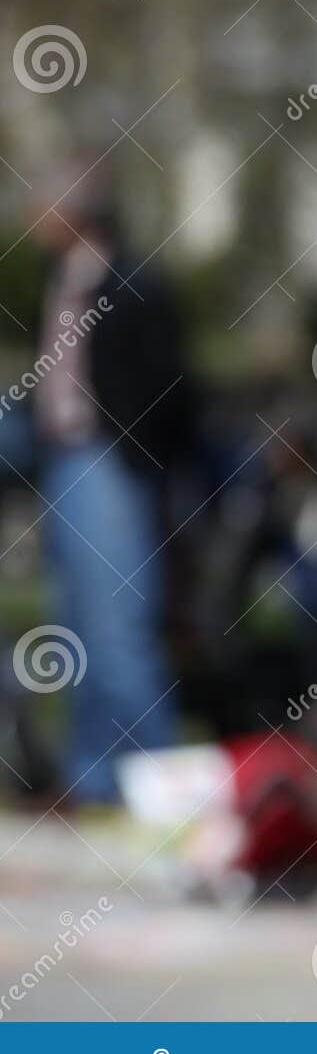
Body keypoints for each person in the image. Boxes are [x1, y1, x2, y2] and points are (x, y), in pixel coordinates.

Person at [4, 166, 196, 804]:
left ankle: (157, 780)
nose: (33, 216)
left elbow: (171, 387)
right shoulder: (61, 280)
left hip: (110, 461)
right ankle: (93, 778)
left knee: (118, 625)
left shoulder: (133, 282)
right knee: (75, 625)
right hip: (59, 459)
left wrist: (135, 450)